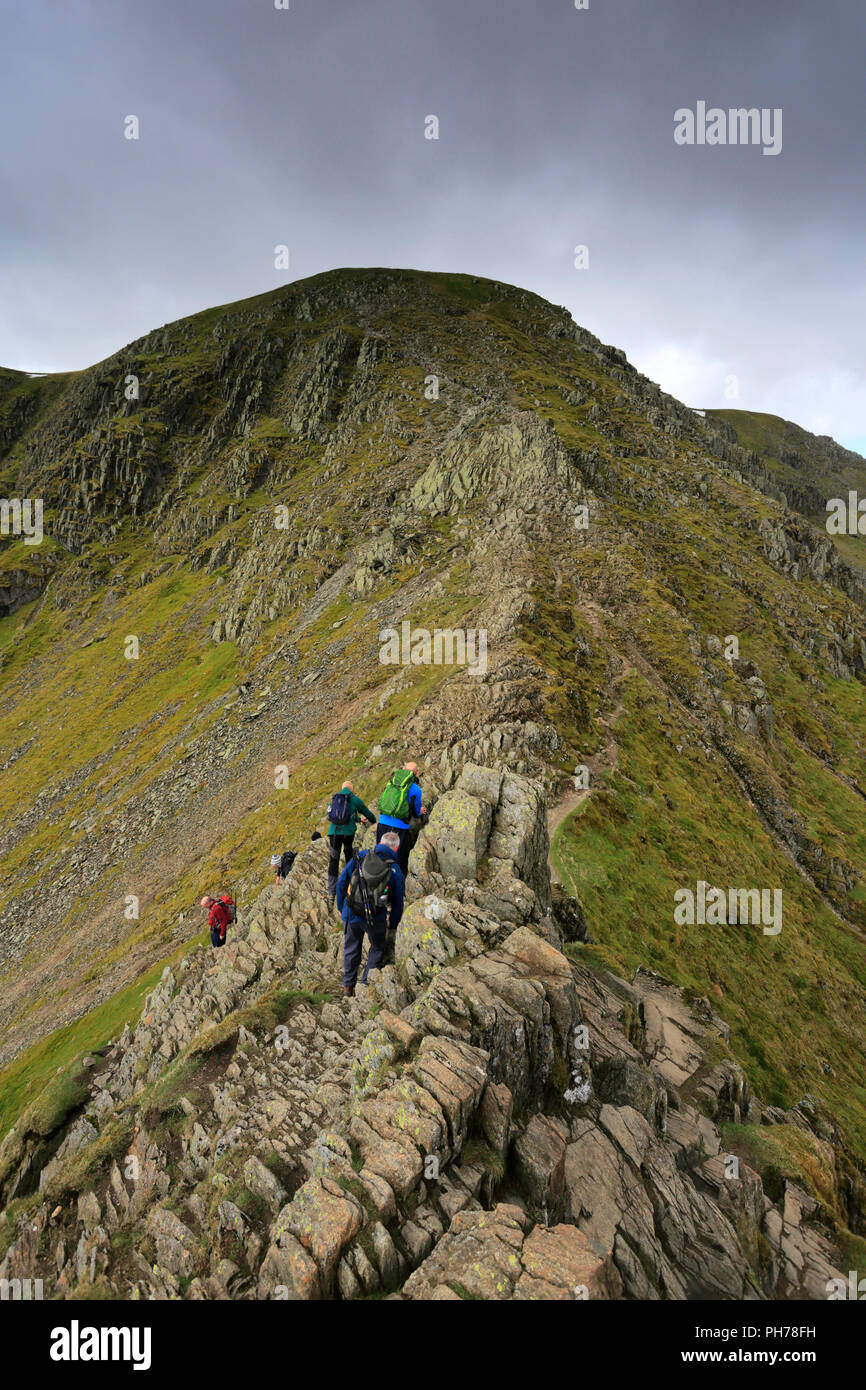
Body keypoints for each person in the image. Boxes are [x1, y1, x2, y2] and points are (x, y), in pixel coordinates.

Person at [336, 830, 405, 997]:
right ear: (395, 849)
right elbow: (397, 903)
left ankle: (348, 987)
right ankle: (366, 983)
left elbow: (341, 882)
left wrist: (341, 906)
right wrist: (393, 925)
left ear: (379, 843)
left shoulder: (361, 856)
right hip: (376, 917)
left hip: (352, 912)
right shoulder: (395, 870)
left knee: (351, 948)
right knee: (377, 947)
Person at [326, 780, 375, 905]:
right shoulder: (355, 800)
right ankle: (350, 884)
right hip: (348, 834)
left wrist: (356, 819)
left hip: (334, 833)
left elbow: (329, 816)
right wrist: (372, 820)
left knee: (334, 860)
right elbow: (367, 813)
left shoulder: (334, 799)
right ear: (351, 789)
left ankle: (331, 892)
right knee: (349, 855)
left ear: (342, 788)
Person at [375, 762, 424, 874]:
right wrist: (420, 811)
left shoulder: (392, 782)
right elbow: (416, 813)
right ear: (416, 773)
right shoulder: (416, 789)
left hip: (382, 823)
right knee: (397, 861)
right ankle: (395, 886)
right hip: (399, 828)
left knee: (380, 856)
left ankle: (377, 882)